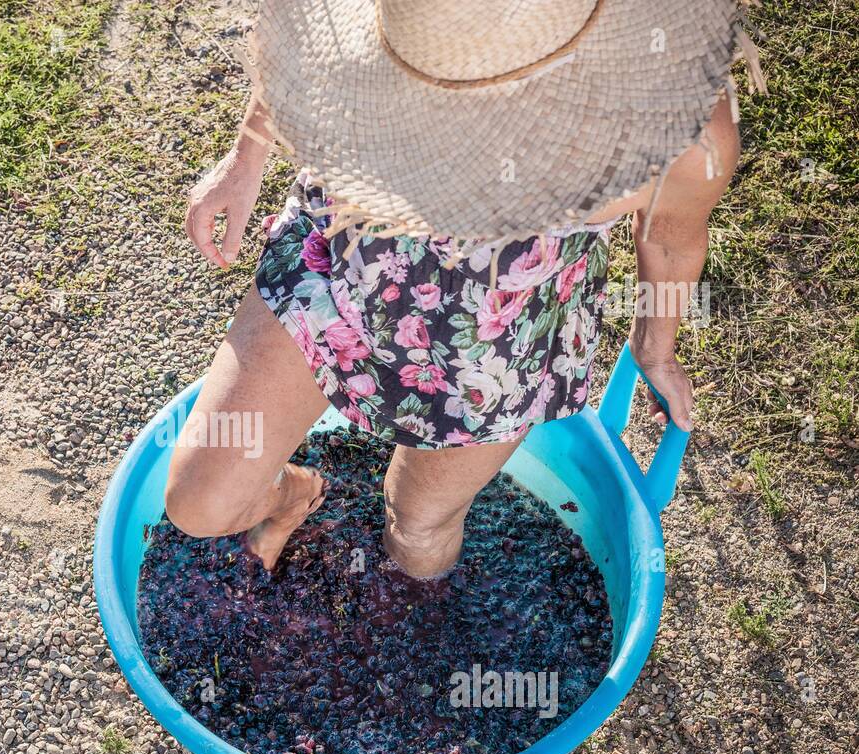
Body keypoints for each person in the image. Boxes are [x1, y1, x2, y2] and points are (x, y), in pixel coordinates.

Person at [165, 0, 756, 577]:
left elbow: (671, 236)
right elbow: (307, 35)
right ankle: (295, 496)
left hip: (503, 329)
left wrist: (654, 347)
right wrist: (248, 152)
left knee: (418, 529)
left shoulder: (680, 127)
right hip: (346, 254)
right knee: (201, 502)